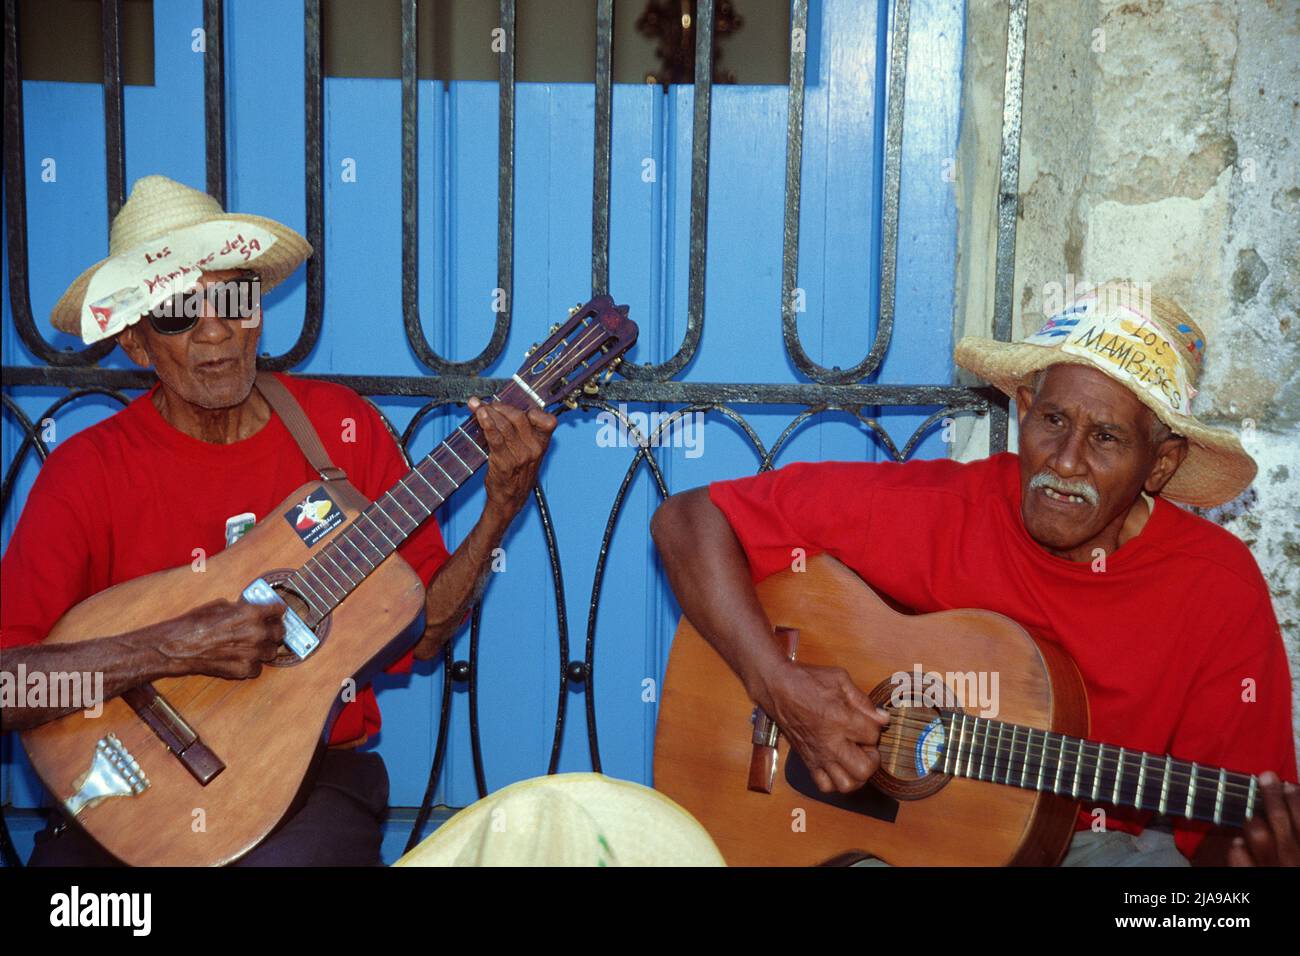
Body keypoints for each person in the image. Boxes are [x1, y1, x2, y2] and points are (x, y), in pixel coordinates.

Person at [0, 175, 557, 866]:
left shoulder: (340, 430)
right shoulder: (85, 473)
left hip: (312, 783)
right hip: (126, 799)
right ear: (137, 344)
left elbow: (426, 631)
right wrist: (170, 649)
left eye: (234, 300)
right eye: (177, 313)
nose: (215, 330)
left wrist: (501, 503)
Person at [651, 280, 1299, 866]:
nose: (1065, 463)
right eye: (1053, 421)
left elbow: (1225, 842)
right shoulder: (942, 508)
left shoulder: (1216, 591)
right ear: (1023, 409)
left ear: (1160, 465)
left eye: (1106, 438)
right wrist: (782, 689)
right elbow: (687, 521)